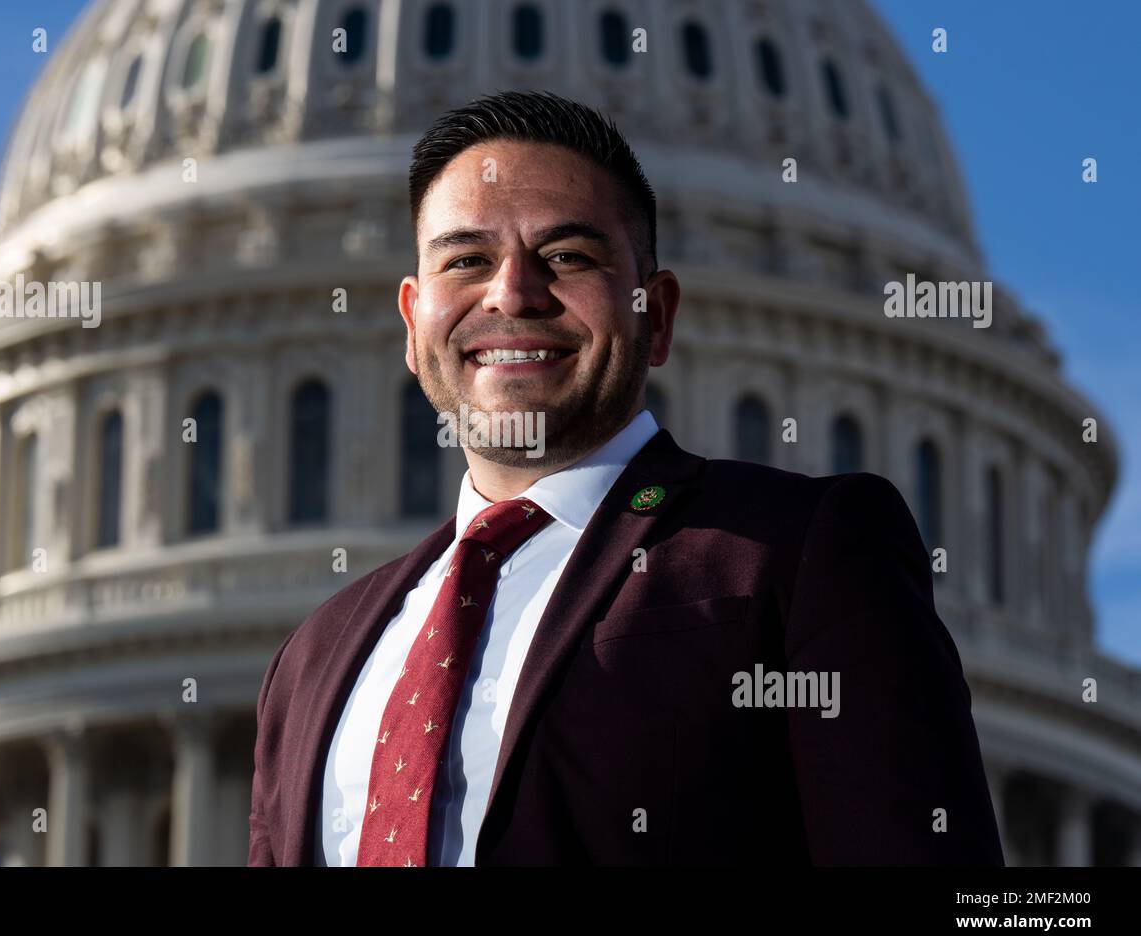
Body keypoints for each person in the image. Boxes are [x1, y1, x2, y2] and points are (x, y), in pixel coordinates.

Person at [248, 89, 1003, 866]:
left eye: (569, 257)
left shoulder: (799, 552)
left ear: (658, 315)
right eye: (467, 259)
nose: (512, 294)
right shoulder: (313, 659)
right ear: (412, 325)